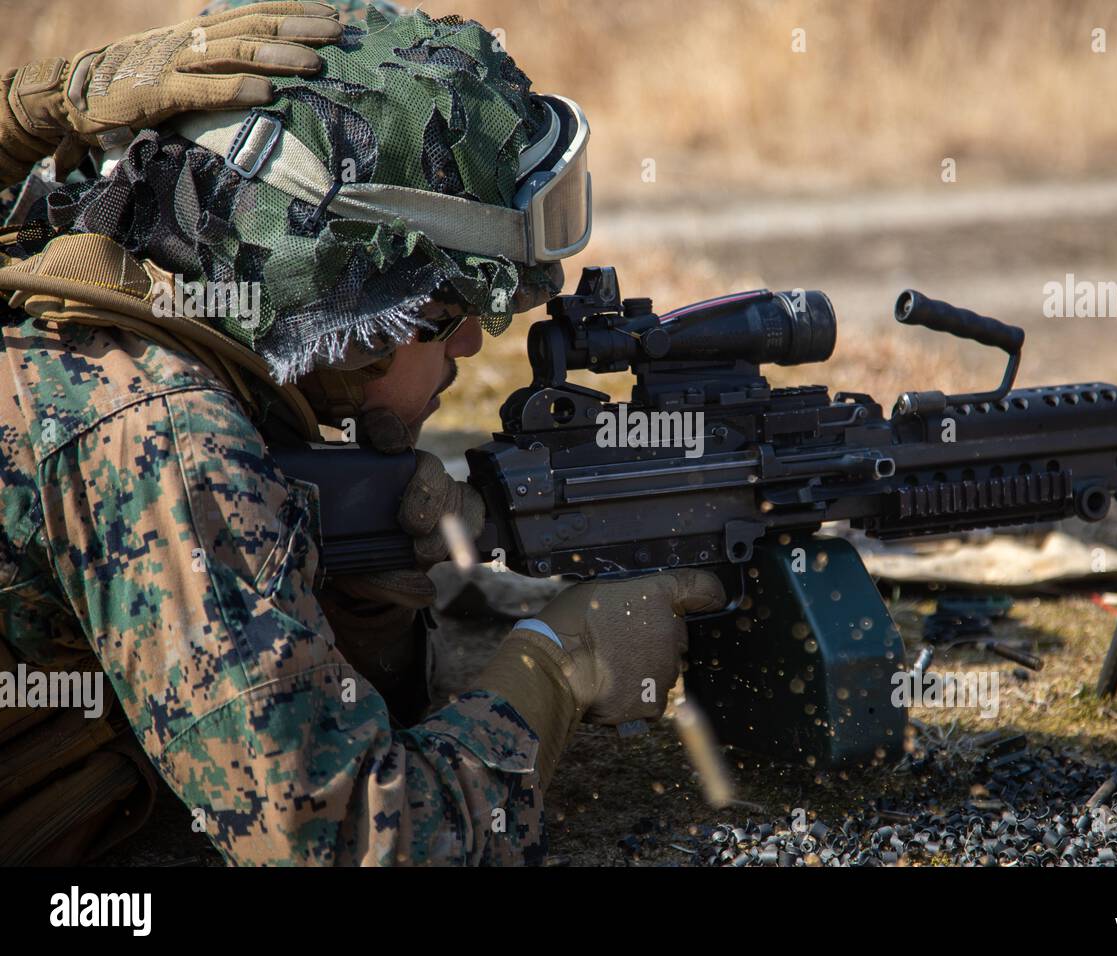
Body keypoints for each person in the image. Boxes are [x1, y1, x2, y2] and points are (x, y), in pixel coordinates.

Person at [0, 2, 723, 865]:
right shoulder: (165, 440)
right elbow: (348, 842)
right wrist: (557, 664)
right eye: (448, 310)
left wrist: (354, 606)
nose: (468, 344)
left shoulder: (73, 292)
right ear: (351, 298)